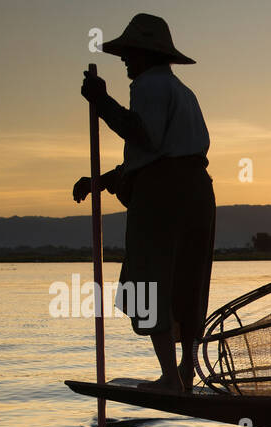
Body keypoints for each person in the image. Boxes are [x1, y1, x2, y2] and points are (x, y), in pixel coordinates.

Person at [72, 13, 215, 392]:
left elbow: (145, 140)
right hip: (198, 191)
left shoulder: (149, 84)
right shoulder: (184, 92)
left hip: (164, 195)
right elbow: (160, 154)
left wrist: (101, 101)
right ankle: (185, 370)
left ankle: (171, 377)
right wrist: (101, 182)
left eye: (129, 53)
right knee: (188, 279)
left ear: (146, 54)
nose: (124, 61)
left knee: (148, 280)